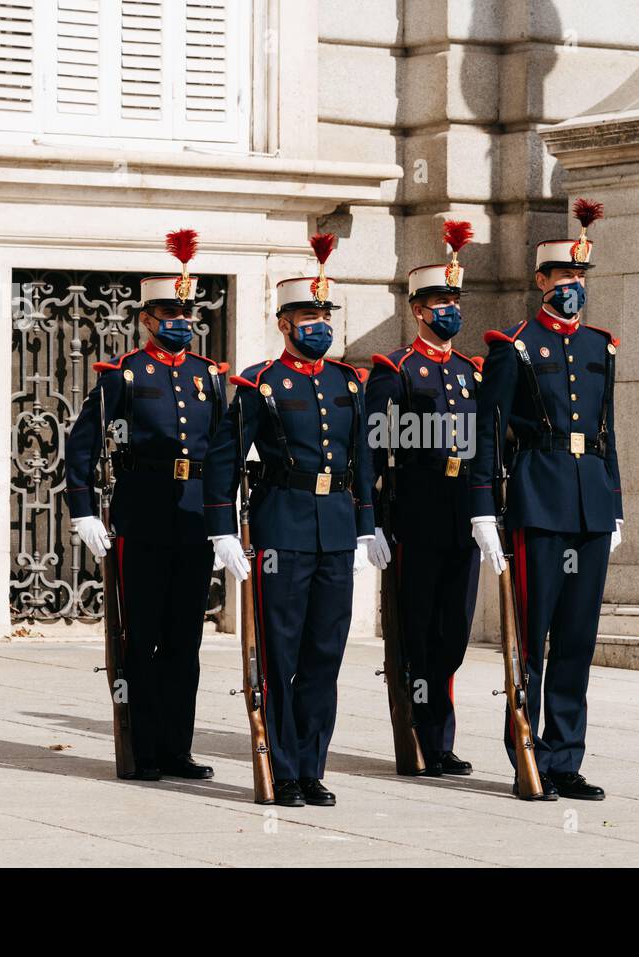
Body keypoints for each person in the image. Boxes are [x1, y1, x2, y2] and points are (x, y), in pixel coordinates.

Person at [207, 234, 388, 808]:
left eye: (324, 316)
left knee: (323, 655)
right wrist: (223, 530)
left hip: (335, 529)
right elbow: (227, 457)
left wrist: (367, 523)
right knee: (279, 653)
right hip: (282, 527)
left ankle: (312, 765)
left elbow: (362, 458)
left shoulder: (347, 383)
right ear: (285, 322)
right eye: (308, 316)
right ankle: (280, 765)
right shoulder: (261, 382)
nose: (320, 326)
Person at [469, 200, 623, 801]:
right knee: (530, 640)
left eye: (580, 279)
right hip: (537, 498)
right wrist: (484, 506)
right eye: (563, 279)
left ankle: (566, 757)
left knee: (578, 640)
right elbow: (489, 429)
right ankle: (526, 755)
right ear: (540, 282)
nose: (572, 288)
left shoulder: (599, 347)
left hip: (588, 501)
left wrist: (615, 503)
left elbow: (609, 430)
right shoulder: (513, 346)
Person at [65, 228, 227, 781]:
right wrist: (83, 508)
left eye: (187, 311)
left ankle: (177, 749)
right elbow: (81, 442)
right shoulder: (126, 375)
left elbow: (225, 446)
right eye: (169, 312)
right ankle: (143, 749)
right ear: (147, 318)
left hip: (195, 519)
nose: (181, 321)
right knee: (144, 638)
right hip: (144, 513)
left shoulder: (209, 377)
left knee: (186, 639)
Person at [365, 220, 483, 777]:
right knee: (418, 629)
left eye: (454, 300)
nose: (449, 310)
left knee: (455, 632)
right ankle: (421, 737)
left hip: (464, 514)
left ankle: (439, 732)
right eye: (439, 302)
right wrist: (373, 520)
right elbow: (374, 448)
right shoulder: (397, 371)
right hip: (416, 513)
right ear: (418, 310)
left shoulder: (470, 372)